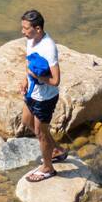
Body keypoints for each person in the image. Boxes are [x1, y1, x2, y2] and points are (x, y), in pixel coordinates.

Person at [18, 9, 67, 182]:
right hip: (32, 92)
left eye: (26, 28)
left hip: (45, 98)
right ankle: (55, 150)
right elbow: (29, 61)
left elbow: (55, 80)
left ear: (38, 29)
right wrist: (26, 79)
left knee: (41, 132)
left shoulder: (48, 48)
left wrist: (38, 77)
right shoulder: (31, 40)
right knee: (26, 121)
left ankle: (48, 168)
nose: (22, 32)